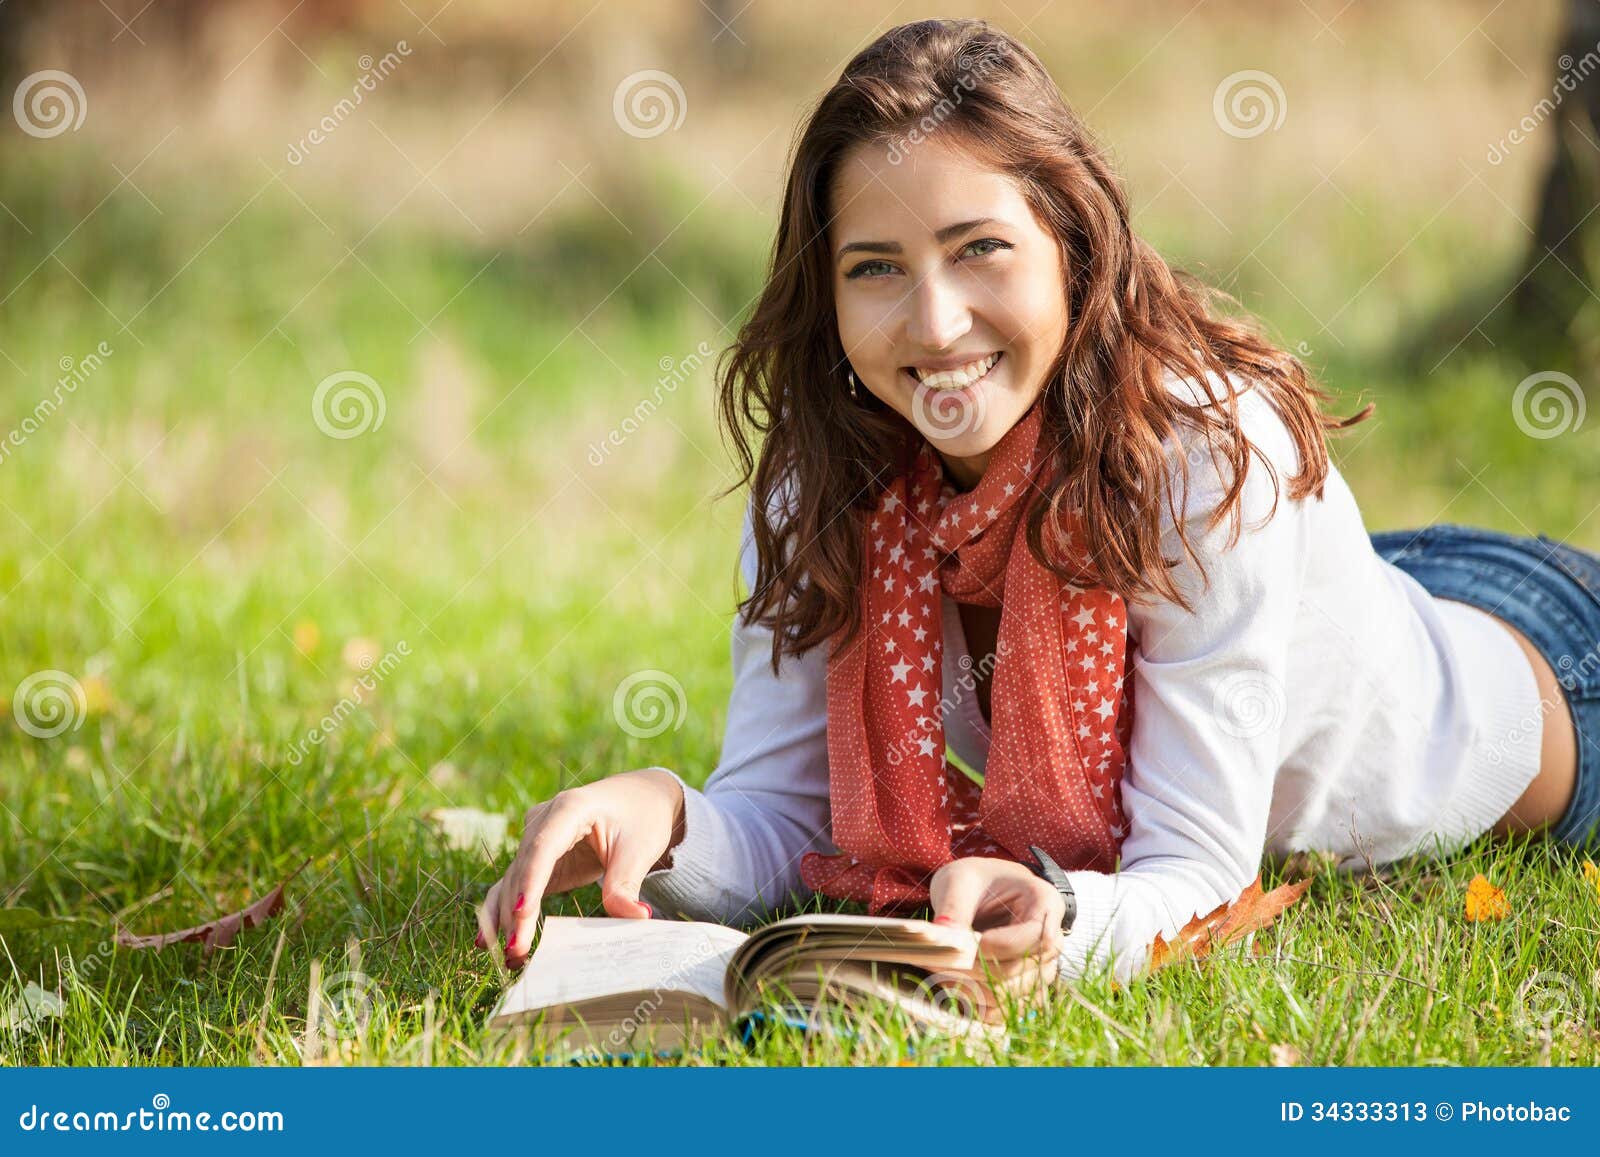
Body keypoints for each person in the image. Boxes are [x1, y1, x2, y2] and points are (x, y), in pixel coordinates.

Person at [476, 17, 1600, 994]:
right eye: (874, 266)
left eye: (979, 250)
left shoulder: (1204, 455)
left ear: (1070, 243)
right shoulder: (819, 478)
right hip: (1327, 611)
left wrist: (1058, 914)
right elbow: (782, 814)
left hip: (1539, 678)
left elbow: (1197, 871)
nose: (933, 321)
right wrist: (660, 815)